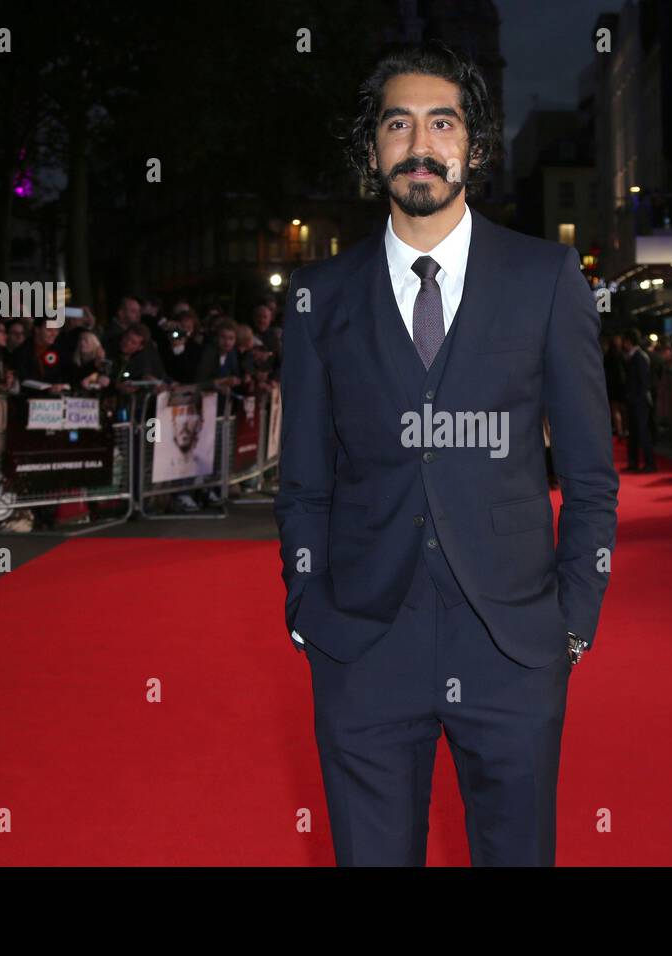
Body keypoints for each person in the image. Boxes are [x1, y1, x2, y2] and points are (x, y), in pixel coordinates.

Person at [274, 42, 617, 867]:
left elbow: (590, 474)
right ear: (372, 151)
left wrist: (573, 622)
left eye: (442, 122)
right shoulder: (320, 297)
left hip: (510, 642)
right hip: (362, 641)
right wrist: (306, 605)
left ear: (475, 147)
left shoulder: (546, 277)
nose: (420, 143)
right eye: (398, 124)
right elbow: (304, 479)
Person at [621, 327, 655, 472]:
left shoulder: (639, 357)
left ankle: (649, 463)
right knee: (634, 433)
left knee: (642, 432)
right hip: (634, 400)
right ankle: (634, 462)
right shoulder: (634, 356)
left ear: (628, 341)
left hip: (639, 401)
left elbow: (643, 381)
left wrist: (635, 397)